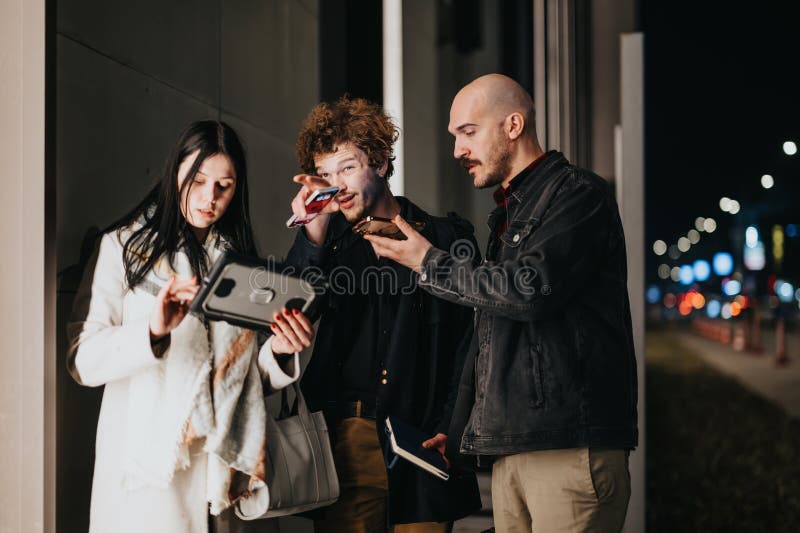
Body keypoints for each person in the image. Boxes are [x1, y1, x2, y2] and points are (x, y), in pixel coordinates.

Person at [366, 74, 638, 532]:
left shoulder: (578, 195)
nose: (456, 150)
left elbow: (528, 289)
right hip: (517, 451)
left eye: (467, 132)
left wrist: (429, 262)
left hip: (567, 450)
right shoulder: (511, 212)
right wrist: (456, 433)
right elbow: (489, 333)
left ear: (513, 125)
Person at [67, 120, 314, 533]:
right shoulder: (123, 249)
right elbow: (83, 359)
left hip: (224, 484)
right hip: (152, 481)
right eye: (197, 180)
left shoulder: (242, 266)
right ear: (174, 173)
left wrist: (282, 351)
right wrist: (153, 331)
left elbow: (249, 377)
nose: (209, 198)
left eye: (224, 185)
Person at [285, 96, 481, 532]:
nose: (338, 184)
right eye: (327, 174)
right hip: (349, 439)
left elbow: (468, 346)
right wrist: (312, 237)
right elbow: (287, 319)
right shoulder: (327, 244)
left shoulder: (447, 239)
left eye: (347, 167)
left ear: (380, 159)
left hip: (423, 439)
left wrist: (453, 425)